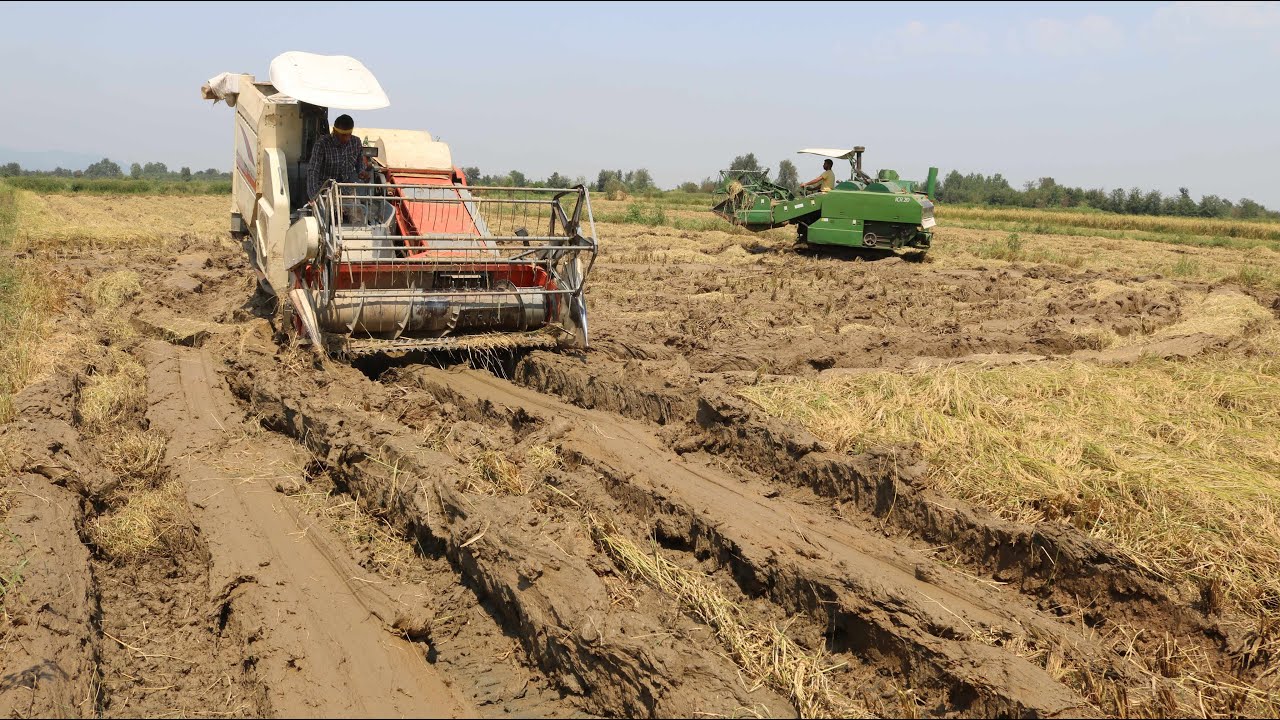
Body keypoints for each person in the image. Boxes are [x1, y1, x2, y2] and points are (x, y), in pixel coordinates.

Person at [306, 114, 370, 201]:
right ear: (334, 131)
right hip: (325, 191)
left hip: (346, 190)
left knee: (358, 211)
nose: (347, 139)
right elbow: (313, 171)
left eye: (349, 135)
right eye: (343, 135)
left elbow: (360, 166)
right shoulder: (322, 144)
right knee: (328, 213)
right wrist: (314, 196)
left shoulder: (356, 142)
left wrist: (362, 172)